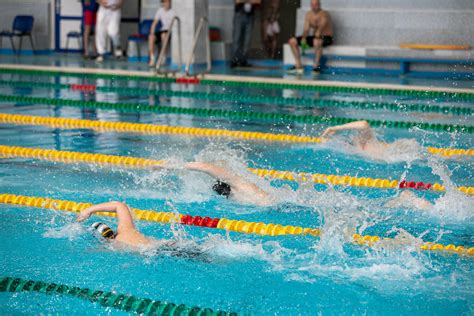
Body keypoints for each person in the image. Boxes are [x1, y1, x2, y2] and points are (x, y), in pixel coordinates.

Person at [320, 120, 421, 161]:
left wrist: (335, 128)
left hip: (396, 151)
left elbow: (364, 124)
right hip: (394, 154)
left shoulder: (363, 144)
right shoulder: (357, 150)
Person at [183, 162, 274, 206]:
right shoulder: (238, 196)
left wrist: (177, 165)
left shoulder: (240, 185)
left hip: (274, 204)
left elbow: (206, 167)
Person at [287, 0, 333, 74]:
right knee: (292, 41)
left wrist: (316, 36)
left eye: (316, 4)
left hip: (327, 38)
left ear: (319, 5)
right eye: (312, 4)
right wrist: (304, 38)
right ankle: (298, 65)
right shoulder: (309, 14)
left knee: (316, 41)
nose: (314, 6)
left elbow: (320, 28)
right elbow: (306, 29)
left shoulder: (324, 14)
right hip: (315, 37)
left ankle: (316, 67)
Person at [230, 0, 261, 68]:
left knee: (247, 39)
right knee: (237, 38)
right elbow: (237, 1)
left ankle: (243, 60)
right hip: (239, 14)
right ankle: (234, 60)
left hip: (250, 15)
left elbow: (258, 2)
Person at [148, 0, 175, 67]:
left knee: (163, 35)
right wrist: (152, 32)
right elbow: (154, 23)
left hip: (170, 31)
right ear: (162, 3)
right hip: (162, 30)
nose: (167, 4)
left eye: (168, 2)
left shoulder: (173, 12)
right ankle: (152, 58)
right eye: (165, 2)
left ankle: (163, 56)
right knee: (151, 37)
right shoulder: (160, 10)